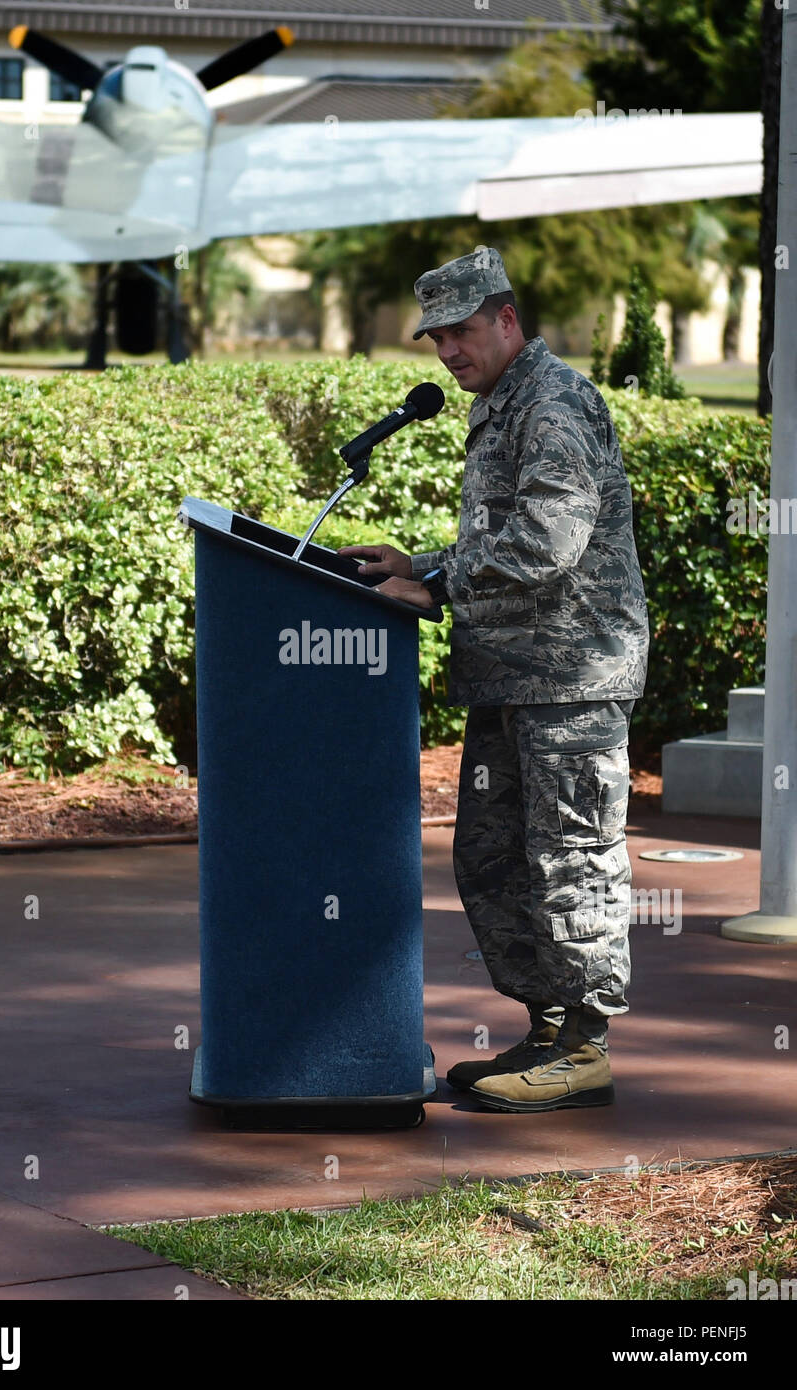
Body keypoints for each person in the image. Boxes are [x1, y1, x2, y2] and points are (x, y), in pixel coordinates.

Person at [339, 246, 649, 1112]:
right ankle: (549, 1028)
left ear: (507, 319)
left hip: (571, 678)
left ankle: (586, 1047)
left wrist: (435, 587)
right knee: (496, 857)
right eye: (436, 338)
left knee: (570, 858)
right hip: (512, 677)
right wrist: (420, 563)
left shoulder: (551, 403)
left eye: (462, 332)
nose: (447, 353)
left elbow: (549, 543)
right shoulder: (504, 403)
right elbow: (499, 544)